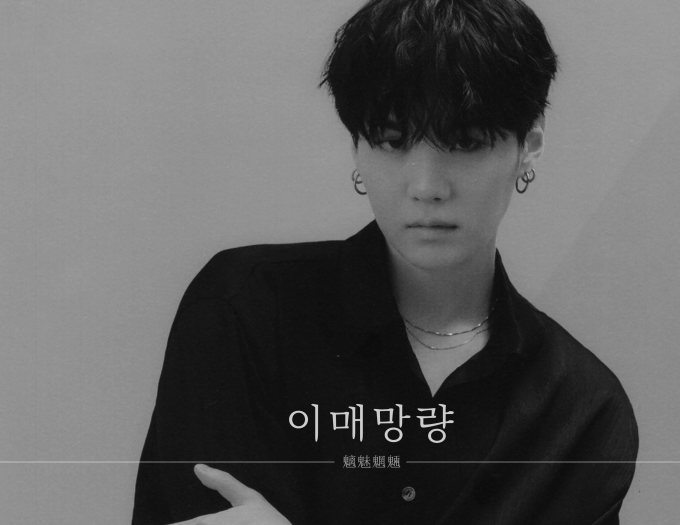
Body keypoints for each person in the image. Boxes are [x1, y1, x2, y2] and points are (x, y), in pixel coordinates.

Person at [132, 0, 638, 523]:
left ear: (528, 145)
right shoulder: (243, 311)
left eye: (465, 142)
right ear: (357, 147)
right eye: (393, 142)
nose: (427, 187)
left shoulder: (582, 410)